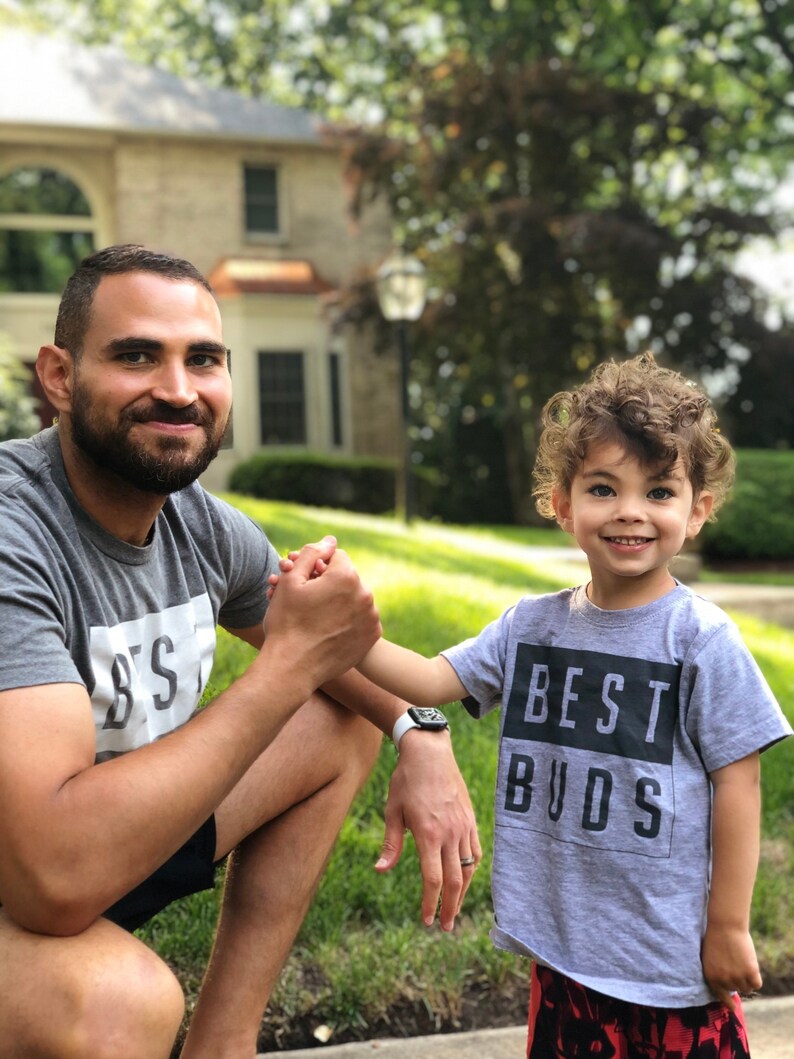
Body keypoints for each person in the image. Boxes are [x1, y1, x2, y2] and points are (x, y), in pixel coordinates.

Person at [0, 244, 480, 1059]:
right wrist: (287, 666)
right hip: (36, 873)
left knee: (341, 719)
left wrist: (421, 734)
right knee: (124, 1005)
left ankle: (224, 1046)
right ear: (58, 375)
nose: (179, 390)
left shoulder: (198, 523)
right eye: (136, 355)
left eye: (204, 359)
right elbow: (52, 881)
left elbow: (342, 661)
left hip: (96, 846)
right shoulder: (17, 532)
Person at [312, 352, 791, 1057]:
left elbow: (739, 781)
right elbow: (424, 678)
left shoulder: (700, 640)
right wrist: (339, 621)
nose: (631, 510)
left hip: (668, 966)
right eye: (604, 487)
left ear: (698, 512)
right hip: (564, 955)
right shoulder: (529, 626)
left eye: (660, 491)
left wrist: (727, 924)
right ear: (562, 504)